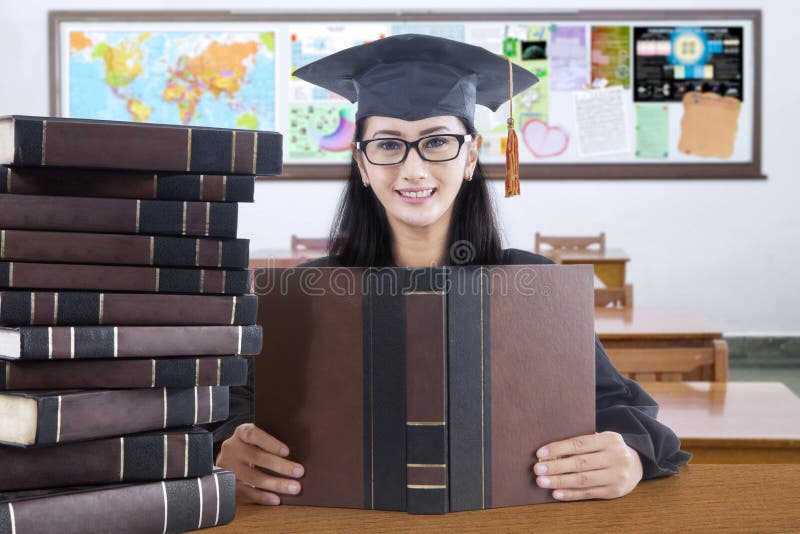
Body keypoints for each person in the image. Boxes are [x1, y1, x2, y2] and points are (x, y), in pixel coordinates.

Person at [211, 34, 691, 506]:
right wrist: (229, 446)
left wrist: (628, 455)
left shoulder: (535, 288)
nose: (414, 170)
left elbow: (625, 411)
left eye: (437, 142)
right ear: (361, 162)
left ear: (471, 156)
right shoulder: (307, 294)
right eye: (388, 144)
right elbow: (230, 408)